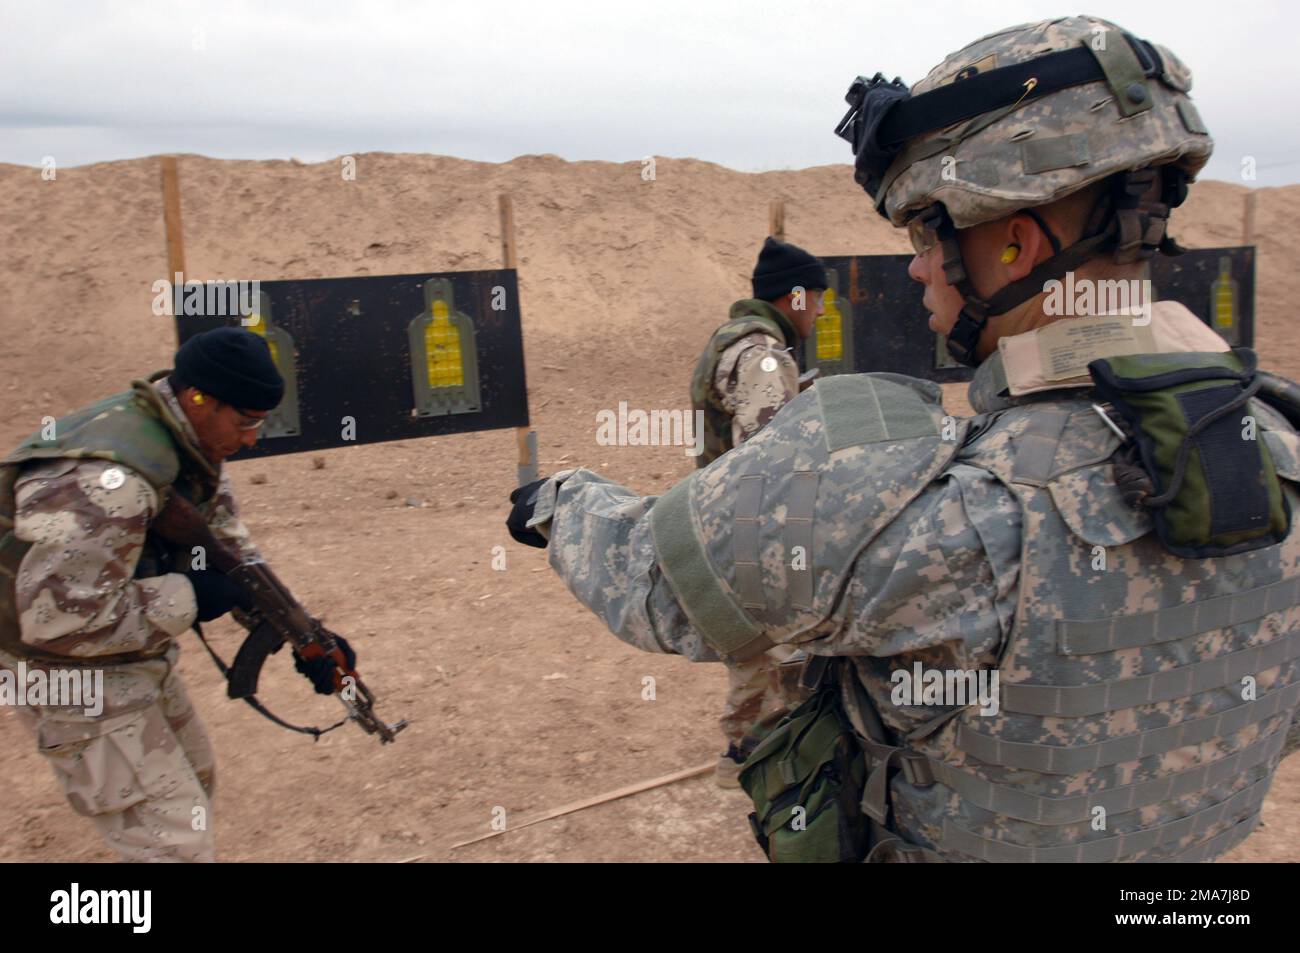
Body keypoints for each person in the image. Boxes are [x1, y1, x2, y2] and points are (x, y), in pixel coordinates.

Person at [508, 15, 1300, 862]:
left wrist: (562, 501)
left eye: (927, 234)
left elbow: (654, 582)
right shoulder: (1282, 447)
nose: (918, 266)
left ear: (1012, 241)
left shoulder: (935, 507)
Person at [0, 327, 350, 862]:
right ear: (198, 398)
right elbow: (59, 624)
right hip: (64, 677)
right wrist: (188, 594)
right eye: (246, 422)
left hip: (128, 658)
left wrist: (303, 630)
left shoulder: (184, 440)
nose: (253, 437)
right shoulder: (103, 484)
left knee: (193, 787)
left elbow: (229, 544)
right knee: (172, 843)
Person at [689, 237, 827, 786]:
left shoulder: (739, 344)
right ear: (794, 298)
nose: (820, 311)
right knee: (767, 645)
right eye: (816, 299)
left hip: (723, 520)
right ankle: (755, 756)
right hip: (749, 530)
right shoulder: (765, 357)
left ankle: (757, 746)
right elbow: (768, 465)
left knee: (754, 646)